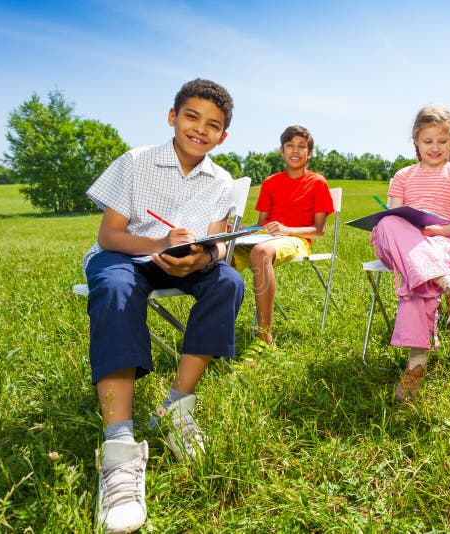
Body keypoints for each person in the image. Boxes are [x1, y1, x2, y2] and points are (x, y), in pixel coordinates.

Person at [82, 79, 245, 533]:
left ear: (222, 137)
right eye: (192, 117)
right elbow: (108, 235)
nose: (200, 129)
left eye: (213, 125)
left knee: (228, 281)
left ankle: (176, 406)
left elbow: (214, 243)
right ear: (172, 116)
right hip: (126, 255)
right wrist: (157, 244)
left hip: (180, 261)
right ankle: (119, 447)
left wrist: (202, 257)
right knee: (115, 290)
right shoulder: (136, 162)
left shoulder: (222, 181)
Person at [372, 104, 450, 401]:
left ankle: (415, 367)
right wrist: (413, 229)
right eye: (428, 141)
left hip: (438, 242)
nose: (435, 148)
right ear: (416, 142)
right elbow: (392, 218)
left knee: (417, 277)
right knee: (390, 223)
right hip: (398, 243)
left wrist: (439, 231)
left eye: (442, 142)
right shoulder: (403, 175)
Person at [233, 125, 334, 355]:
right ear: (282, 150)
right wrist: (240, 229)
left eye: (302, 147)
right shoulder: (270, 182)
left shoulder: (317, 182)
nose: (295, 151)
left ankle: (263, 337)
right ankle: (218, 331)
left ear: (310, 153)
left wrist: (286, 229)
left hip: (297, 239)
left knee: (260, 252)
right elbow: (261, 223)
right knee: (223, 253)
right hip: (266, 237)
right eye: (290, 146)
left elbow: (318, 230)